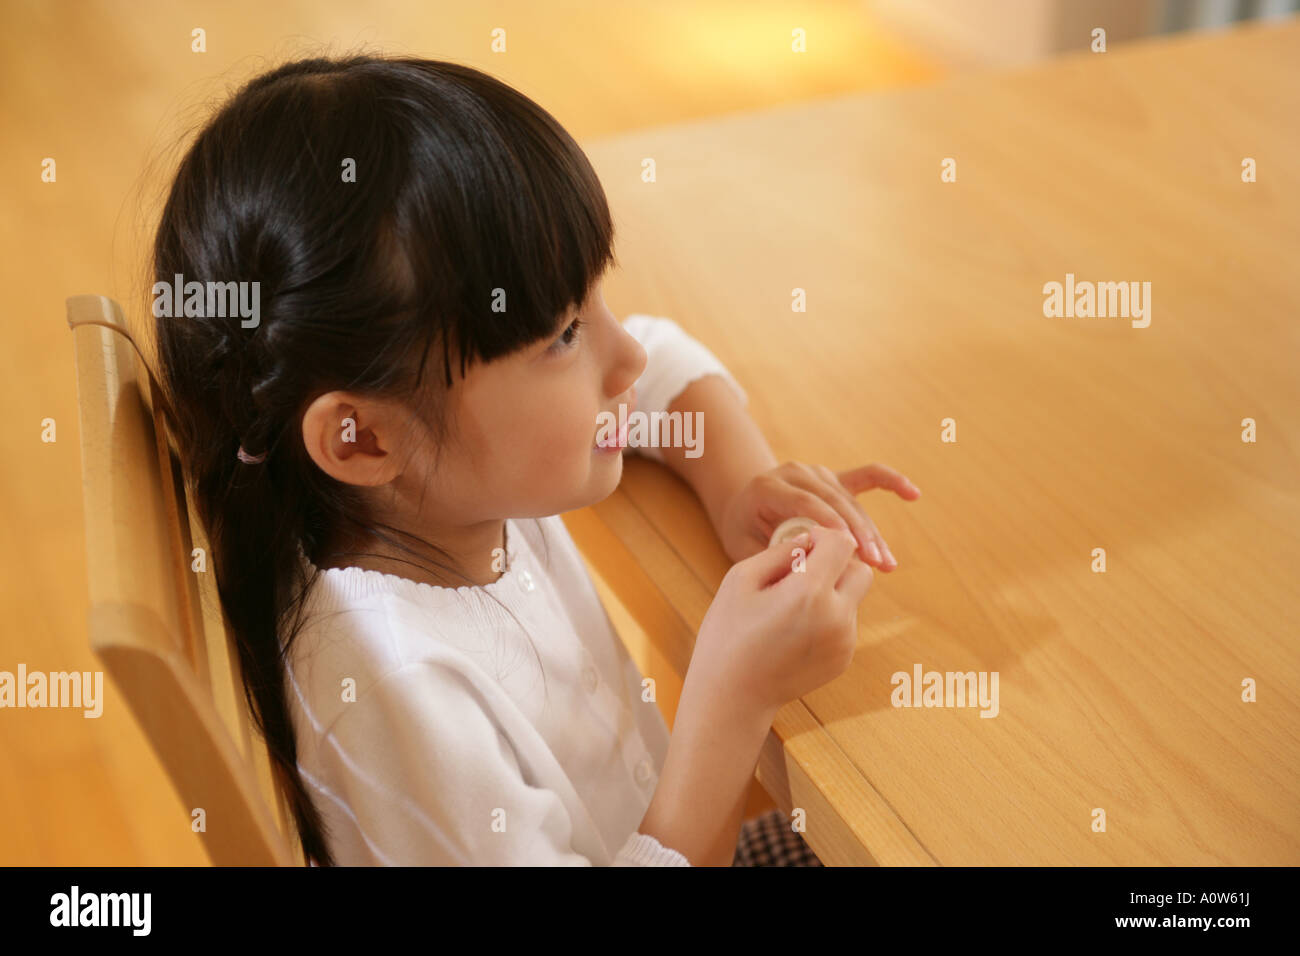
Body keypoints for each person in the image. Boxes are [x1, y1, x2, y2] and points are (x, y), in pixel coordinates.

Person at [150, 54, 917, 866]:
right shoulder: (399, 695)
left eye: (594, 300)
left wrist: (738, 484)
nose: (618, 355)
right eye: (563, 335)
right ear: (360, 439)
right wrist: (734, 700)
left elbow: (651, 358)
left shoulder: (423, 494)